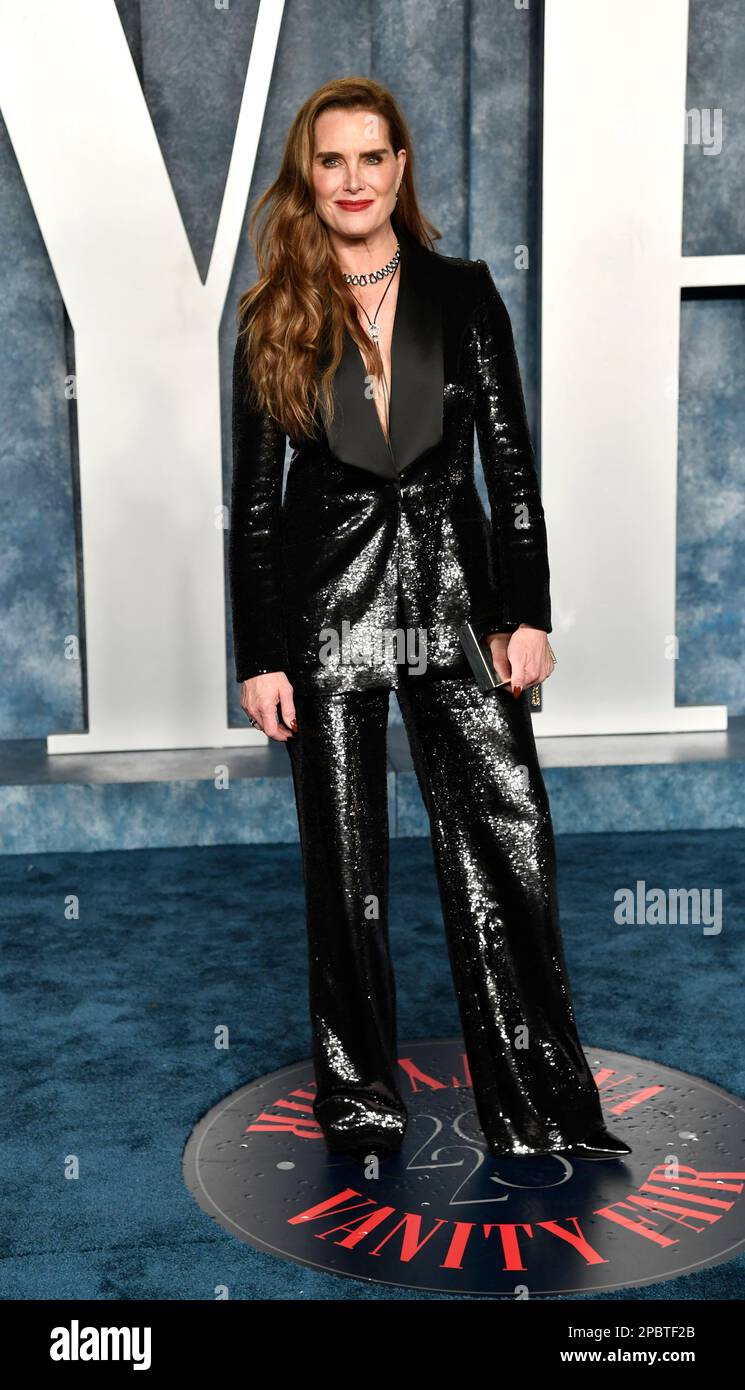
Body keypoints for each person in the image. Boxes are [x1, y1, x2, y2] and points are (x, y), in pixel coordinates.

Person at [228, 77, 631, 1166]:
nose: (353, 179)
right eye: (331, 160)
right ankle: (360, 1101)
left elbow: (513, 470)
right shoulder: (274, 311)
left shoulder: (464, 294)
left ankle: (535, 1089)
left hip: (456, 597)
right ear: (307, 177)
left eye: (372, 157)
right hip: (328, 610)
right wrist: (261, 654)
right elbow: (253, 509)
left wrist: (526, 615)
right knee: (344, 863)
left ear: (399, 169)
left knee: (507, 839)